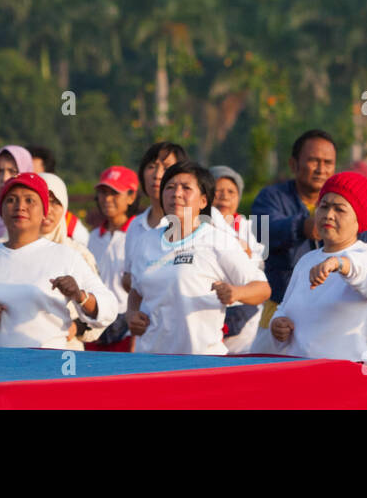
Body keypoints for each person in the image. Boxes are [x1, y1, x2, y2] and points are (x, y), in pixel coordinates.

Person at [125, 162, 270, 355]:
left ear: (203, 201)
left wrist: (236, 292)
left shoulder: (218, 240)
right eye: (169, 187)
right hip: (152, 360)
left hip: (201, 362)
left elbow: (262, 289)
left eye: (186, 188)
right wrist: (132, 314)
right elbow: (136, 290)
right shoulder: (145, 241)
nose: (176, 193)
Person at [0, 173, 117, 350]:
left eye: (29, 201)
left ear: (44, 211)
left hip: (50, 366)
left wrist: (79, 296)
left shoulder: (67, 256)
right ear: (1, 211)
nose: (20, 207)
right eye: (11, 200)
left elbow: (109, 307)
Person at [259, 171, 367, 363]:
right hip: (303, 372)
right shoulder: (306, 261)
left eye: (340, 209)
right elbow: (285, 309)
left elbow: (360, 268)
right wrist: (278, 324)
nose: (328, 215)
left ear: (358, 219)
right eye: (324, 206)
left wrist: (338, 263)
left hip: (352, 374)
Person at [251, 130, 367, 324]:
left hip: (336, 316)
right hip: (281, 311)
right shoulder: (272, 197)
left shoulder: (352, 207)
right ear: (294, 164)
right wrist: (300, 227)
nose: (321, 169)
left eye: (328, 163)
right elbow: (260, 231)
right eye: (313, 161)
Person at [39, 173, 104, 350]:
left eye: (55, 202)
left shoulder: (77, 254)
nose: (48, 210)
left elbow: (104, 311)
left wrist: (76, 327)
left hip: (66, 354)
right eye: (41, 200)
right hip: (16, 353)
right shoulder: (5, 250)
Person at [211, 165, 267, 353]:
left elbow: (259, 267)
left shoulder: (251, 228)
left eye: (231, 192)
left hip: (244, 315)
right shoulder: (194, 228)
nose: (224, 196)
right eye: (217, 191)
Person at [121, 141, 186, 293]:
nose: (157, 175)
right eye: (151, 167)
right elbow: (128, 279)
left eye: (166, 168)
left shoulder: (198, 219)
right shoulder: (135, 225)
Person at [88, 166, 139, 351]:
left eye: (115, 193)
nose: (107, 199)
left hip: (126, 330)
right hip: (96, 326)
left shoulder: (140, 234)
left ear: (131, 196)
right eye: (103, 193)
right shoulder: (93, 237)